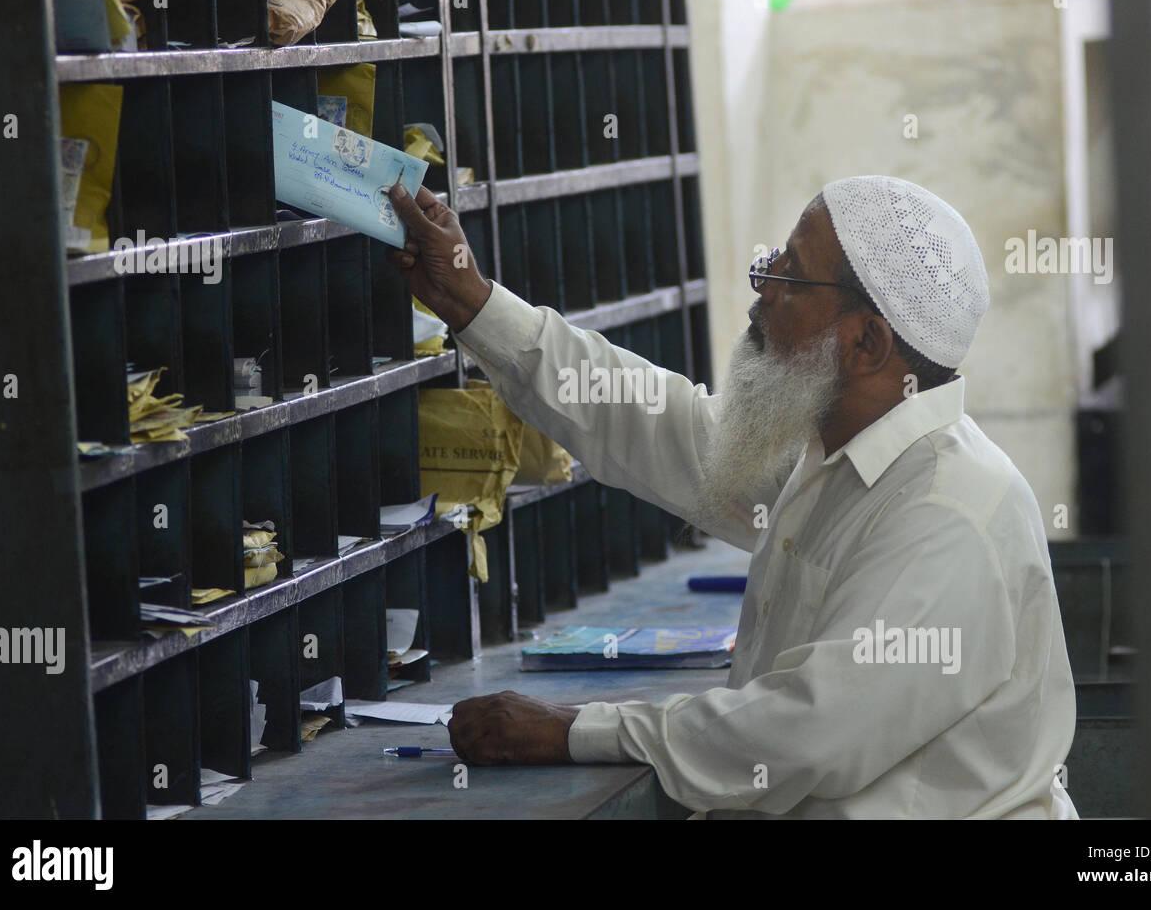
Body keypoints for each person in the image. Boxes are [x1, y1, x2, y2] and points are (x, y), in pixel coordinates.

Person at [387, 175, 1078, 819]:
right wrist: (472, 303)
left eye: (789, 275)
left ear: (867, 341)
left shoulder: (949, 513)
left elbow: (807, 730)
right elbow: (651, 420)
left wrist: (575, 728)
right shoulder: (838, 447)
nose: (761, 290)